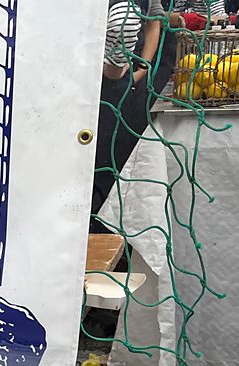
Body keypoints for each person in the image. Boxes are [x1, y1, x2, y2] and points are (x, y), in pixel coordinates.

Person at [92, 0, 167, 224]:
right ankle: (114, 59)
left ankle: (115, 62)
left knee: (109, 151)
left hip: (119, 80)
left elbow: (154, 22)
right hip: (76, 59)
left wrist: (142, 67)